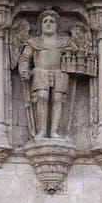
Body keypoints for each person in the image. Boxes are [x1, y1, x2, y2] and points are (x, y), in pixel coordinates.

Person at [17, 10, 77, 139]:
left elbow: (78, 53)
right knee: (41, 97)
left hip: (60, 74)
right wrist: (24, 70)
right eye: (45, 21)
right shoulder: (33, 42)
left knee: (57, 100)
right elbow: (24, 59)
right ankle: (42, 131)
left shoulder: (65, 42)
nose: (48, 24)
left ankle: (54, 132)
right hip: (40, 73)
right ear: (40, 25)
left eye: (52, 21)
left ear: (57, 25)